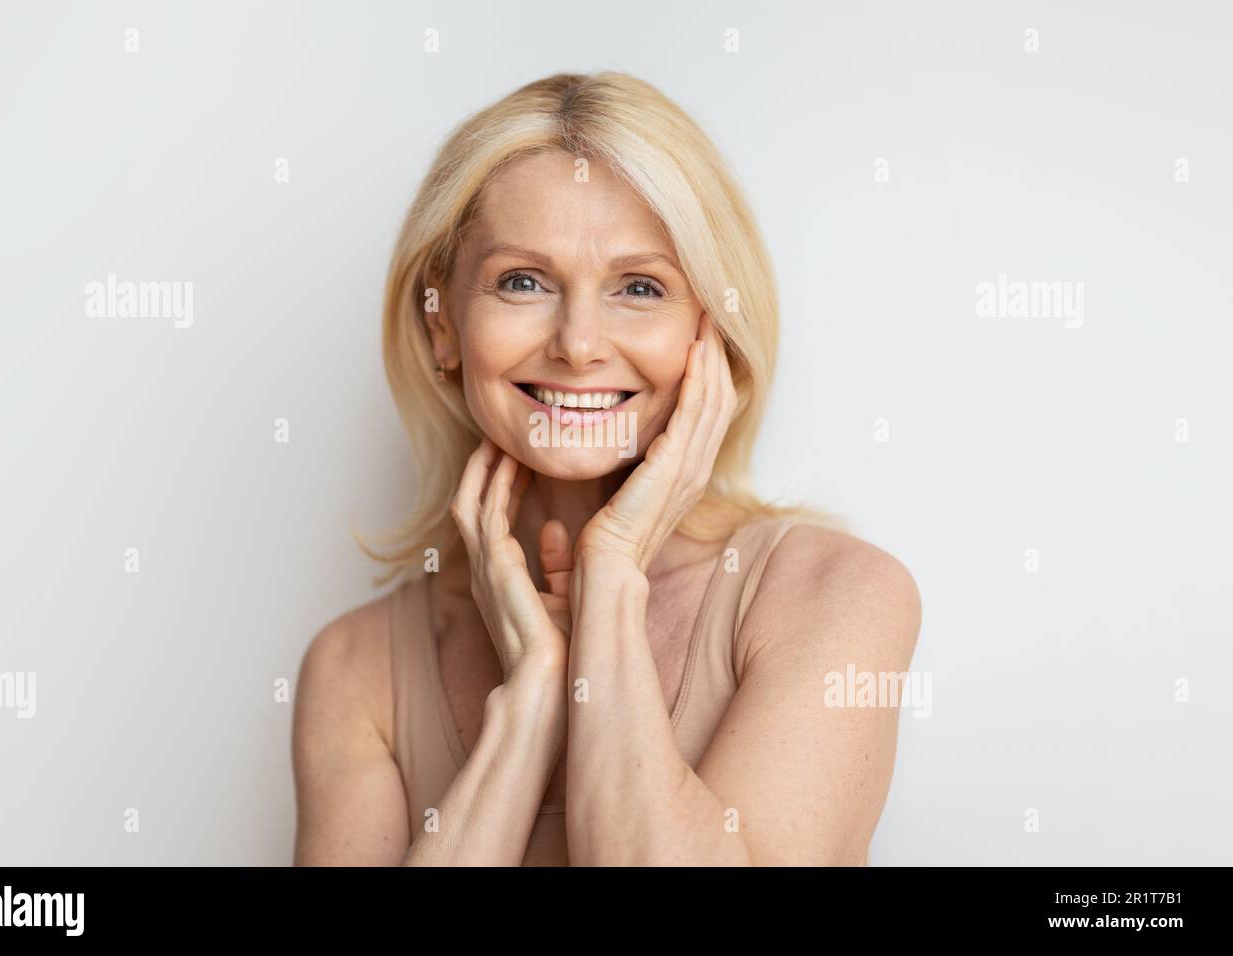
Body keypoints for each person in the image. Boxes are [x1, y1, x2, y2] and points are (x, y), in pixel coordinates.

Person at [292, 72, 921, 866]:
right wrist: (530, 705)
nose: (580, 342)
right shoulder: (353, 669)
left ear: (711, 331)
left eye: (639, 286)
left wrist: (613, 580)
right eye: (523, 281)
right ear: (442, 323)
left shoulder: (838, 597)